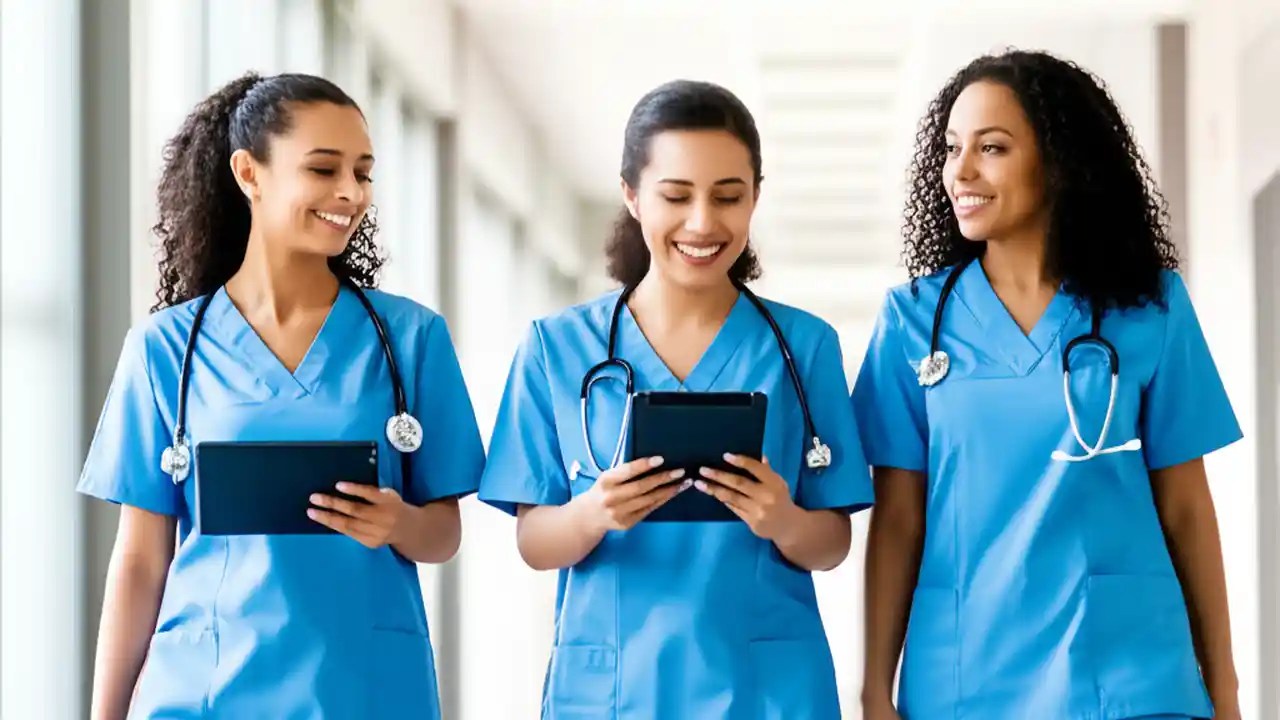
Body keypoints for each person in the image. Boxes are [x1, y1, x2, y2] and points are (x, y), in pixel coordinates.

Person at [78, 71, 485, 719]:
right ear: (250, 174)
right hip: (205, 691)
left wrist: (397, 522)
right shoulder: (165, 349)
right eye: (324, 170)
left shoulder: (410, 338)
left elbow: (443, 533)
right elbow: (139, 561)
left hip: (364, 689)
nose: (350, 193)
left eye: (363, 172)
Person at [853, 50, 1242, 720]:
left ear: (1059, 162)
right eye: (952, 148)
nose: (961, 171)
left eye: (993, 147)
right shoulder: (913, 322)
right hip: (964, 677)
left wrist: (1226, 689)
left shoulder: (1151, 309)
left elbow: (1186, 507)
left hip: (1127, 670)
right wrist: (872, 692)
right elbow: (898, 520)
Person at [477, 79, 873, 719]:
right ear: (632, 196)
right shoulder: (558, 347)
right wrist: (593, 512)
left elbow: (831, 542)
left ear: (754, 199)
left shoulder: (806, 348)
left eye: (728, 197)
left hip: (766, 687)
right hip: (611, 689)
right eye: (676, 195)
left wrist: (782, 519)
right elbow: (533, 542)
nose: (703, 223)